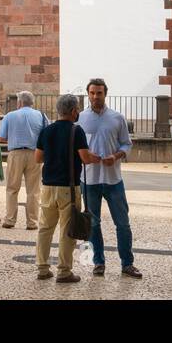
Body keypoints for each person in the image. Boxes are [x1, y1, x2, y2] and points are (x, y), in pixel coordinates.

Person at [79, 78, 142, 278]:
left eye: (99, 93)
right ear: (88, 94)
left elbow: (127, 144)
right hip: (89, 180)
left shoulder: (117, 118)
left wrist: (116, 156)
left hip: (114, 179)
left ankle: (127, 263)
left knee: (122, 223)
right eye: (92, 93)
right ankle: (98, 263)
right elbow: (75, 148)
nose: (95, 97)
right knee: (93, 224)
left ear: (105, 94)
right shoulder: (79, 118)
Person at [34, 94, 100, 283]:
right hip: (68, 189)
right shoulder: (76, 131)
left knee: (45, 229)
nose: (78, 112)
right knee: (67, 231)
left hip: (47, 186)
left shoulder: (47, 131)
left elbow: (38, 158)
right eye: (77, 109)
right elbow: (85, 158)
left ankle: (42, 269)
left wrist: (55, 157)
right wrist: (97, 158)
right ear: (72, 111)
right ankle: (64, 271)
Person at [0, 91, 48, 229]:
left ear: (19, 102)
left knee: (12, 188)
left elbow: (2, 137)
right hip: (35, 153)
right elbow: (46, 134)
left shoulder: (10, 116)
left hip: (15, 153)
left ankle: (10, 219)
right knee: (33, 190)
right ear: (32, 102)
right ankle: (32, 222)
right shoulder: (41, 115)